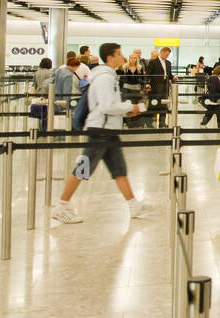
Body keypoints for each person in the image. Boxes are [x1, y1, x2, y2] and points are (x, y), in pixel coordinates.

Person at [51, 42, 156, 224]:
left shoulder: (108, 76)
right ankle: (61, 205)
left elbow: (106, 105)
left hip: (108, 130)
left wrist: (125, 111)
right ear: (110, 57)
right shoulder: (105, 78)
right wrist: (131, 106)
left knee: (119, 169)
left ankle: (133, 205)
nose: (122, 57)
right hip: (99, 131)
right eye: (119, 53)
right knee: (82, 169)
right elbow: (107, 106)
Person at [145, 46, 175, 128]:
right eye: (166, 54)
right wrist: (147, 83)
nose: (167, 56)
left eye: (168, 55)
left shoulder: (168, 63)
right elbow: (148, 74)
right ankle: (148, 122)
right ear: (161, 52)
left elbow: (169, 74)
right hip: (155, 87)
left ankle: (162, 123)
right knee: (153, 105)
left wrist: (173, 77)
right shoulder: (153, 62)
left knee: (163, 105)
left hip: (164, 87)